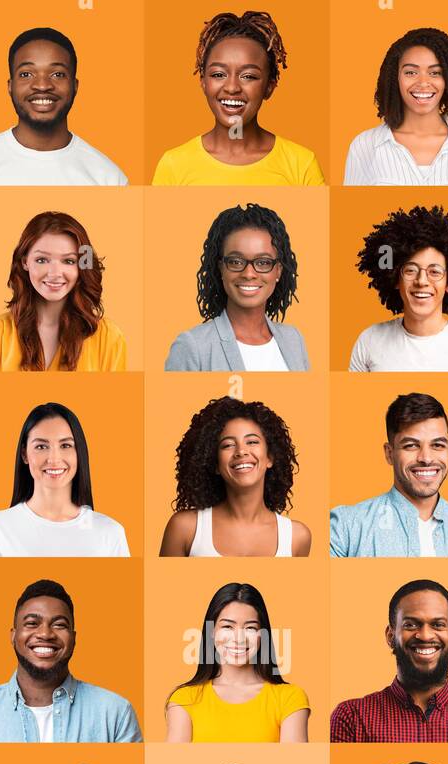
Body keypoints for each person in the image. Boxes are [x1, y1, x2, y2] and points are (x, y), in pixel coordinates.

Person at [329, 579, 448, 743]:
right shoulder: (352, 718)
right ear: (390, 636)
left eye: (438, 625)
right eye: (410, 625)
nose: (425, 635)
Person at [151, 11, 325, 186]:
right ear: (203, 82)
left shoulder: (301, 164)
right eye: (219, 74)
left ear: (269, 87)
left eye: (248, 76)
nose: (232, 88)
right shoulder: (173, 165)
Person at [0, 580, 143, 743]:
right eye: (31, 623)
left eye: (59, 625)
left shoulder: (115, 713)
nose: (45, 634)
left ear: (73, 638)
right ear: (13, 636)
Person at [330, 392, 448, 557]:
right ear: (389, 453)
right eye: (411, 445)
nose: (426, 458)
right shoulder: (345, 527)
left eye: (437, 445)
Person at [0, 28, 128, 186]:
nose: (42, 85)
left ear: (75, 86)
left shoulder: (109, 178)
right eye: (26, 74)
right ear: (10, 86)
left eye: (57, 74)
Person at [0, 212, 126, 372]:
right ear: (25, 261)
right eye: (42, 260)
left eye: (69, 261)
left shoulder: (110, 338)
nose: (54, 273)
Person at [348, 205, 448, 372]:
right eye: (411, 270)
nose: (422, 281)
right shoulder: (369, 341)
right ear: (395, 278)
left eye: (434, 272)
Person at [159, 396, 311, 557]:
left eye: (252, 442)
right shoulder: (185, 528)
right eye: (228, 445)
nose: (241, 451)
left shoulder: (297, 537)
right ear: (215, 464)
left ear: (270, 458)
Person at [344, 27, 448, 186]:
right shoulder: (364, 146)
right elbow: (351, 210)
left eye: (435, 73)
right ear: (394, 78)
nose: (423, 83)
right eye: (410, 72)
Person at [0, 403, 129, 557]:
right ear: (24, 454)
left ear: (79, 452)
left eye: (66, 445)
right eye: (41, 447)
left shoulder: (111, 533)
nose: (54, 459)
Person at [165, 204, 309, 371]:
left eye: (263, 262)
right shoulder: (193, 346)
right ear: (221, 268)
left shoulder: (294, 339)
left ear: (278, 271)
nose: (249, 273)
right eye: (236, 261)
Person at [166, 582, 309, 743]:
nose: (239, 639)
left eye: (250, 628)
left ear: (263, 635)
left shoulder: (290, 698)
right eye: (227, 626)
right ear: (212, 632)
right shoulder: (184, 699)